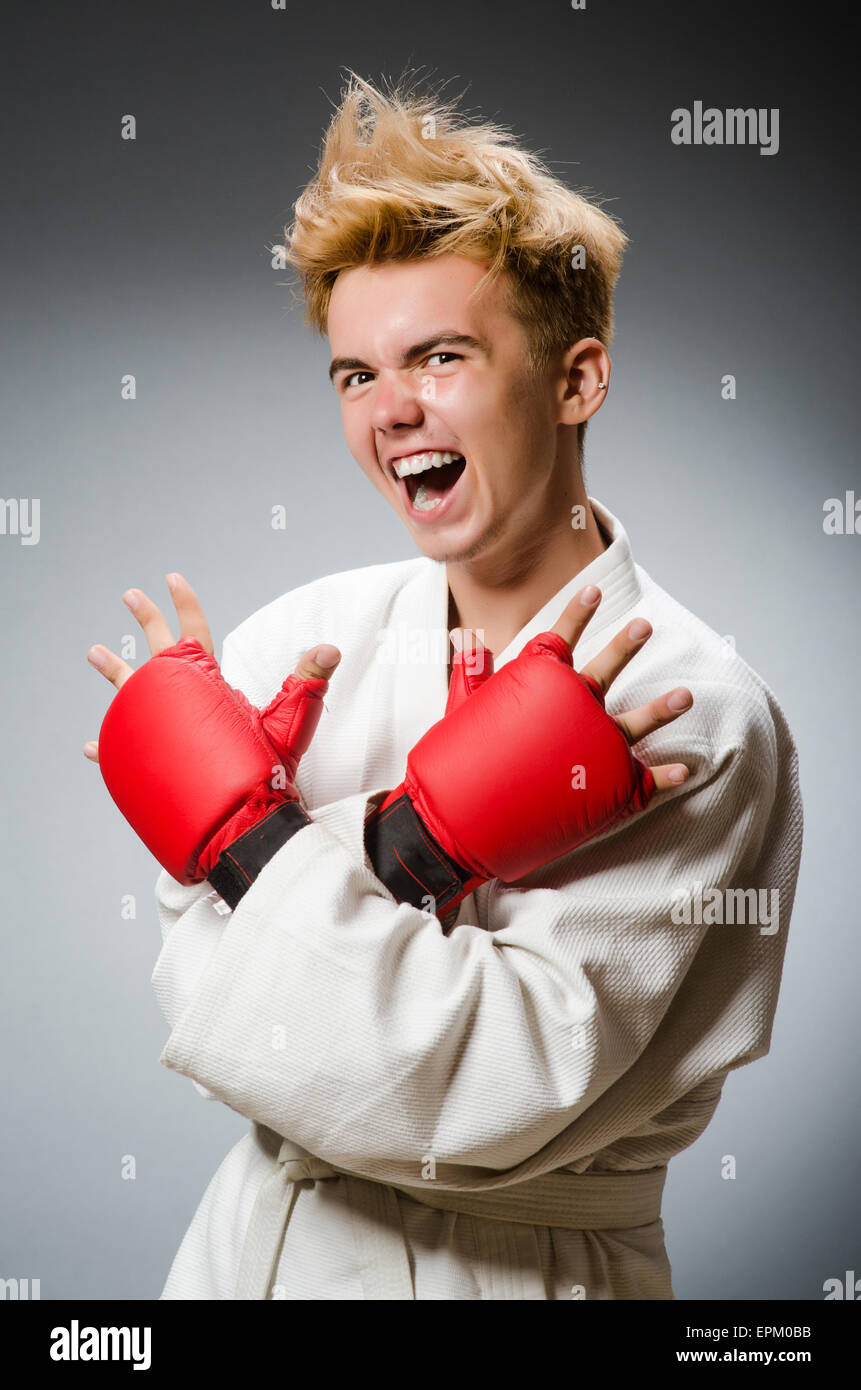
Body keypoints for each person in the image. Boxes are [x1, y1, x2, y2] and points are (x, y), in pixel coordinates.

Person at [85, 71, 803, 1300]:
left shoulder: (690, 710)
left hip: (516, 1273)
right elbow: (210, 1013)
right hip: (246, 1256)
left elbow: (480, 1089)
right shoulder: (303, 636)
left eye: (441, 355)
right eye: (356, 374)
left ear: (577, 380)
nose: (392, 410)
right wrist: (395, 854)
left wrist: (256, 853)